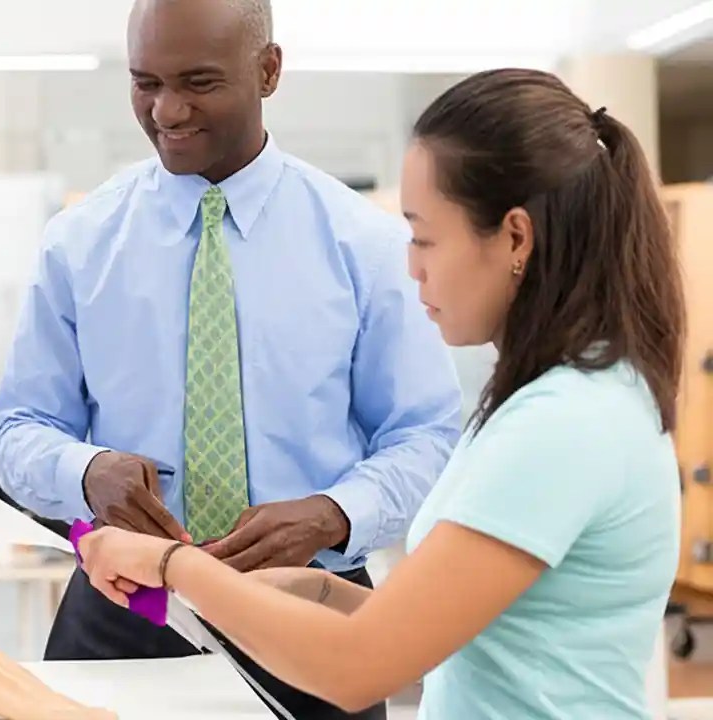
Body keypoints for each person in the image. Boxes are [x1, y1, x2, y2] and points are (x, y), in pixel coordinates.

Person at [75, 67, 686, 720]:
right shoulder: (573, 397)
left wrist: (173, 565)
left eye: (425, 237)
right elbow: (458, 634)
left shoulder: (563, 425)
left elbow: (359, 668)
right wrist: (314, 590)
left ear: (514, 237)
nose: (412, 265)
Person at [0, 0, 461, 717]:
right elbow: (20, 426)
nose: (167, 110)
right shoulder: (79, 243)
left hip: (312, 611)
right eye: (145, 82)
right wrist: (85, 473)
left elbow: (426, 434)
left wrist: (334, 513)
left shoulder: (364, 245)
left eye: (198, 82)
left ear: (268, 71)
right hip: (126, 608)